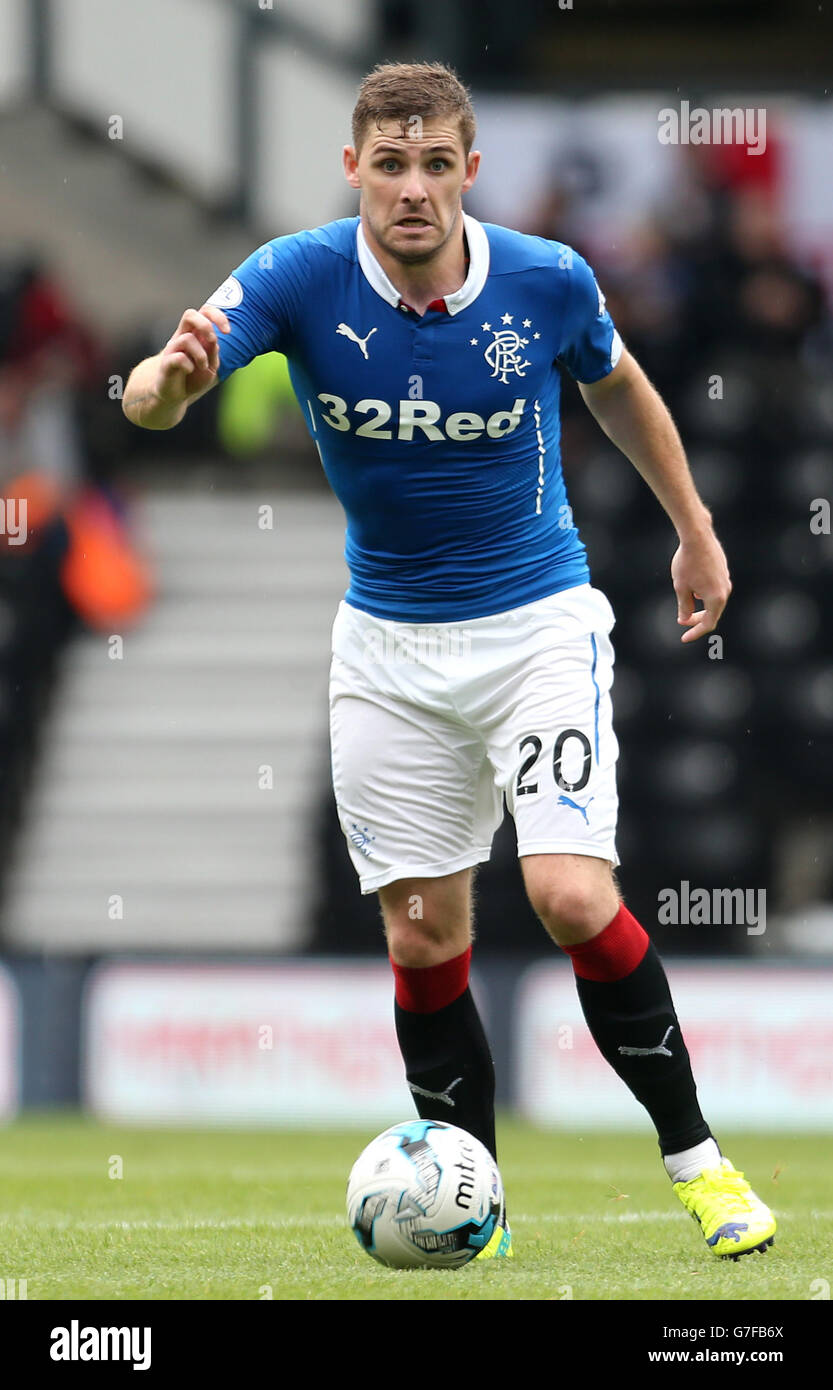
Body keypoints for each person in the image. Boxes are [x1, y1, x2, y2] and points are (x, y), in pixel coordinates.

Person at [122, 60, 775, 1262]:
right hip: (385, 647)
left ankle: (701, 1163)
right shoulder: (293, 276)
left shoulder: (544, 280)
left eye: (434, 165)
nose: (411, 189)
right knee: (423, 936)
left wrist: (693, 526)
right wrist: (168, 381)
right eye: (389, 164)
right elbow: (158, 399)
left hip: (534, 627)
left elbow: (617, 385)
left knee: (570, 894)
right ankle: (474, 1214)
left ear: (470, 171)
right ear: (353, 169)